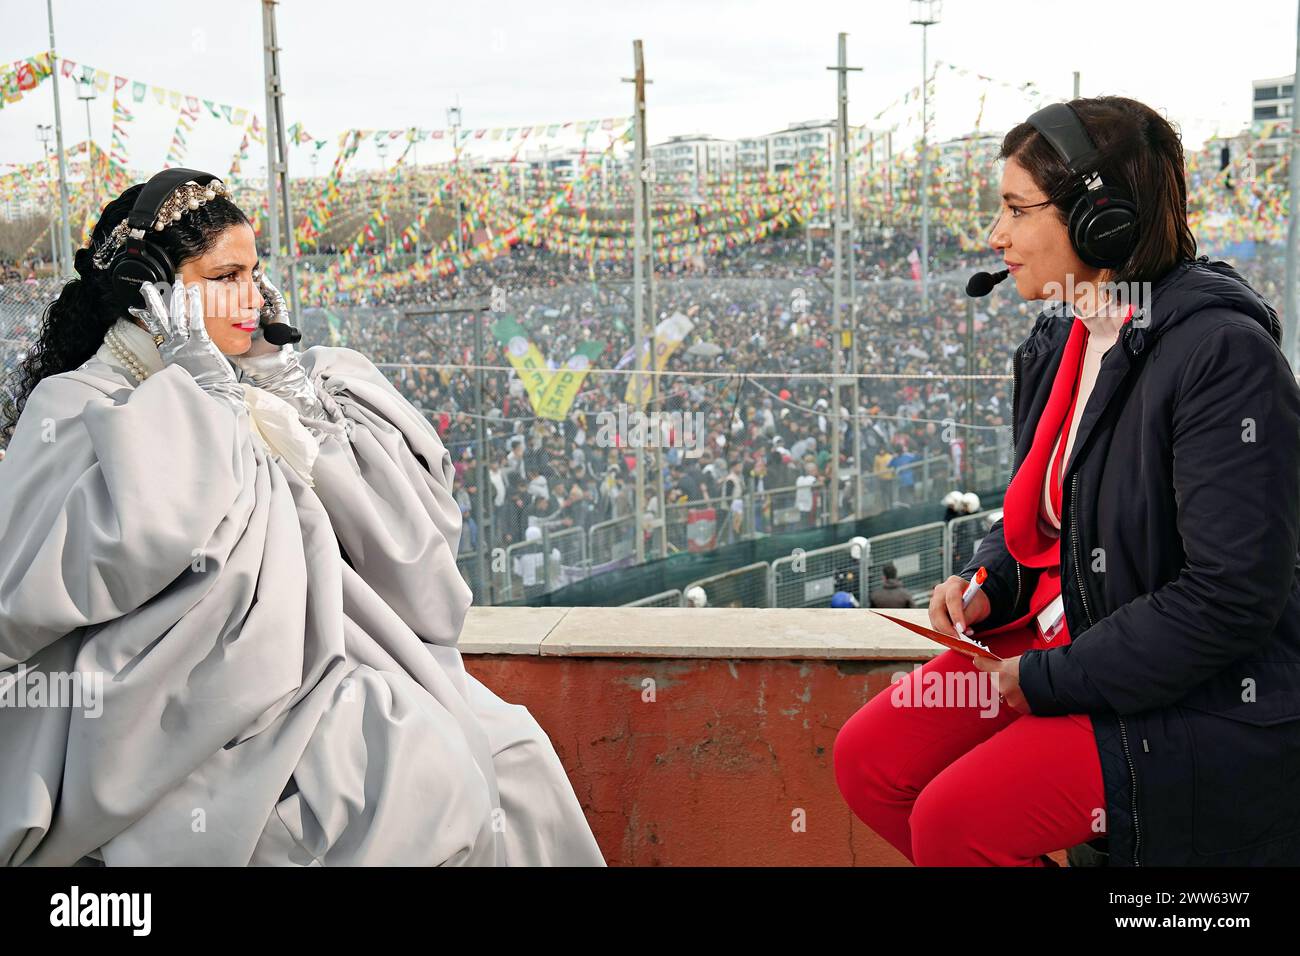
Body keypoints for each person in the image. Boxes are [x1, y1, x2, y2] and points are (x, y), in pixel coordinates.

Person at [0, 172, 604, 867]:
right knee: (423, 782)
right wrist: (203, 406)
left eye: (256, 273)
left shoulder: (264, 379)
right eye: (226, 275)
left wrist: (282, 386)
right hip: (184, 711)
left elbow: (406, 555)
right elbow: (97, 563)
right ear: (149, 292)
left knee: (514, 755)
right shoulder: (80, 401)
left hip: (327, 658)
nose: (253, 297)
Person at [835, 97, 1300, 866]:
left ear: (1101, 221)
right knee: (868, 762)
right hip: (1068, 640)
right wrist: (988, 577)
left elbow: (1230, 597)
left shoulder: (1222, 357)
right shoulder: (1059, 336)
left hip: (1200, 693)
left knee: (956, 821)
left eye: (1017, 209)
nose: (997, 236)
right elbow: (1055, 510)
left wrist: (1052, 679)